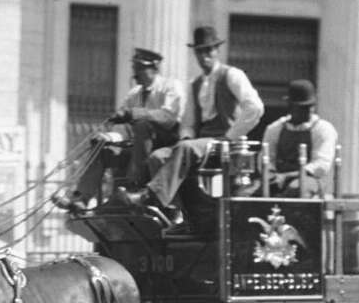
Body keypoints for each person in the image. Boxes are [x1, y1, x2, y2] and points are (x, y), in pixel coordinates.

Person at [119, 24, 264, 217]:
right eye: (199, 52)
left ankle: (149, 196)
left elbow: (255, 107)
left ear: (217, 50)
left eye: (208, 51)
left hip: (226, 143)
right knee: (158, 157)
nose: (204, 57)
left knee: (185, 150)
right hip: (203, 143)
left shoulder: (232, 75)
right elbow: (188, 121)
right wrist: (186, 137)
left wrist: (230, 136)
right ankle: (177, 213)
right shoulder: (194, 84)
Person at [60, 47, 185, 211]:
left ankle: (138, 188)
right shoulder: (136, 94)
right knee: (103, 149)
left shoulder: (170, 86)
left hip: (165, 145)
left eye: (140, 68)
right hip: (139, 148)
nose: (136, 73)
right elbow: (125, 125)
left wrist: (137, 113)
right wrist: (109, 136)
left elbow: (169, 118)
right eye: (135, 69)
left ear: (153, 68)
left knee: (141, 124)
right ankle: (81, 197)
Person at [260, 79, 338, 196]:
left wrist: (286, 177)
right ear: (290, 106)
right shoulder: (274, 129)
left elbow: (321, 165)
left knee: (296, 190)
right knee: (246, 193)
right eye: (302, 107)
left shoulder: (323, 129)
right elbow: (266, 158)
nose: (309, 111)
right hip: (277, 178)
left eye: (311, 106)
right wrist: (271, 176)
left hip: (311, 180)